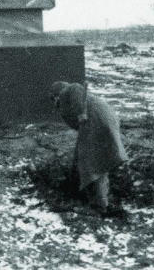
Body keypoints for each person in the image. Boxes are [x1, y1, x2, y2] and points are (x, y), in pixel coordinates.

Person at [50, 81, 127, 214]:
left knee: (92, 164)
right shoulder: (82, 101)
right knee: (95, 161)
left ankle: (98, 206)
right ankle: (95, 197)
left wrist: (65, 101)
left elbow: (74, 88)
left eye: (53, 98)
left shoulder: (68, 93)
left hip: (97, 124)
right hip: (103, 122)